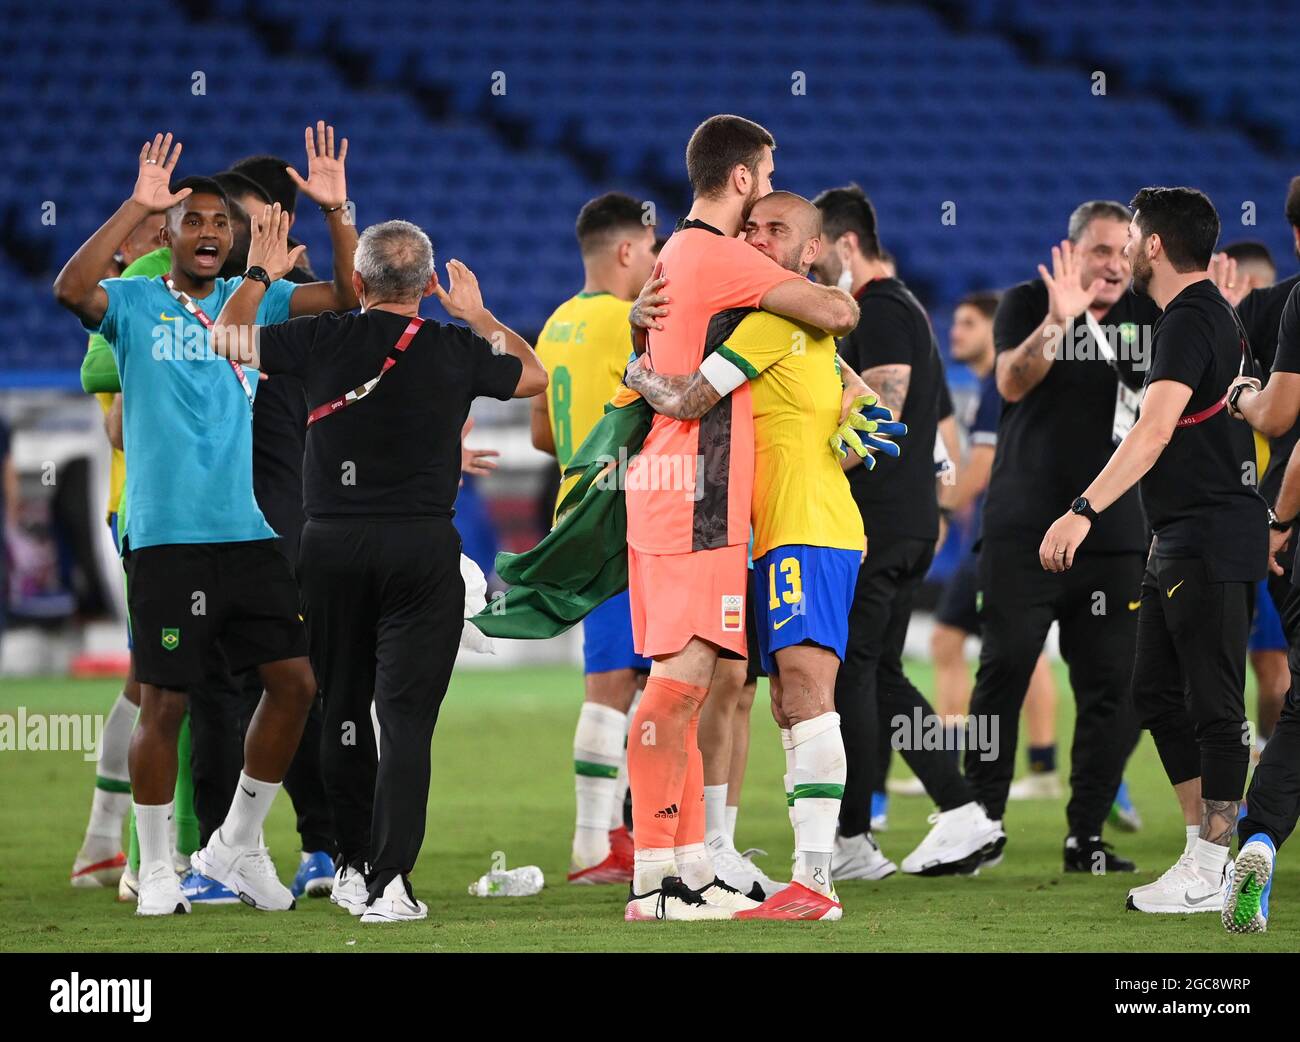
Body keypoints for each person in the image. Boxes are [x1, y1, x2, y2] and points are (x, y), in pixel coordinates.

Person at [53, 126, 359, 917]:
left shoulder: (257, 300)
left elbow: (353, 301)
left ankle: (240, 843)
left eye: (223, 221)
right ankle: (157, 865)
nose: (210, 232)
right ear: (169, 233)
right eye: (194, 221)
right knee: (168, 703)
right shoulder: (133, 302)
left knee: (293, 683)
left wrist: (337, 212)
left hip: (246, 532)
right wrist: (134, 204)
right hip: (164, 536)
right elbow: (69, 288)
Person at [212, 216, 547, 922]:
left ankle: (354, 867)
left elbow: (226, 339)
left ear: (358, 283)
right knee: (404, 722)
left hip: (329, 547)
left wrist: (258, 274)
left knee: (342, 712)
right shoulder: (457, 347)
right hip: (420, 549)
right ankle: (393, 883)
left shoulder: (322, 336)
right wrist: (479, 313)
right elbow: (534, 375)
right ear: (429, 287)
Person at [628, 190, 899, 918]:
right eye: (751, 226)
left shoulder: (771, 320)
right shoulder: (805, 327)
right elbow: (873, 405)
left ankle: (815, 881)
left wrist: (636, 373)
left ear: (812, 251)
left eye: (777, 230)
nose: (757, 237)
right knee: (772, 697)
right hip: (783, 531)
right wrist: (848, 426)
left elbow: (685, 400)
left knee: (806, 696)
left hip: (802, 532)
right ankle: (766, 865)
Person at [1040, 186, 1265, 914]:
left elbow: (1154, 429)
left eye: (1132, 236)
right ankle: (1204, 853)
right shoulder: (1198, 315)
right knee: (1158, 694)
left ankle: (1211, 867)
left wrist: (1082, 509)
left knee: (1213, 704)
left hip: (1209, 534)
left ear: (1156, 246)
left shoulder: (1191, 315)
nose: (1127, 248)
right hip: (1183, 534)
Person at [808, 185, 1002, 879]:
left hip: (881, 521)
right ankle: (928, 820)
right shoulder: (906, 311)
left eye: (815, 247)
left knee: (856, 673)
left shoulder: (883, 308)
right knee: (876, 673)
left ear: (848, 244)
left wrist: (815, 462)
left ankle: (890, 828)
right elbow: (937, 424)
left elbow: (881, 416)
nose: (808, 262)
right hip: (908, 517)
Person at [959, 201, 1157, 873]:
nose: (1112, 263)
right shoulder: (1027, 301)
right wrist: (1058, 320)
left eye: (1123, 251)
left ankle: (1087, 836)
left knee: (1113, 688)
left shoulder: (1151, 322)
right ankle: (979, 824)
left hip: (1115, 533)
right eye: (1100, 250)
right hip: (1024, 526)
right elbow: (1011, 383)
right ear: (1071, 252)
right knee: (1005, 666)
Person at [530, 192, 657, 885]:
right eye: (655, 247)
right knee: (615, 685)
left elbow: (541, 434)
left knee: (626, 680)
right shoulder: (630, 325)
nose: (661, 262)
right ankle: (593, 844)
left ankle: (616, 833)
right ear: (627, 249)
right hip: (625, 524)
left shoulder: (557, 324)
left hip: (577, 514)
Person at [926, 292, 1062, 801]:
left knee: (1014, 646)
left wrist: (941, 508)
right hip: (1003, 529)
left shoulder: (995, 387)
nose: (954, 332)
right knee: (956, 639)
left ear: (993, 330)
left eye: (967, 322)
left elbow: (982, 466)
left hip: (1007, 535)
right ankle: (958, 764)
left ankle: (1038, 769)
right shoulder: (998, 385)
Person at [70, 210, 166, 892]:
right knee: (161, 681)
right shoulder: (121, 312)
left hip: (200, 517)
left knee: (155, 678)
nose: (168, 237)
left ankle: (108, 846)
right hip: (148, 518)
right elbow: (117, 426)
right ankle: (133, 850)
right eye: (157, 228)